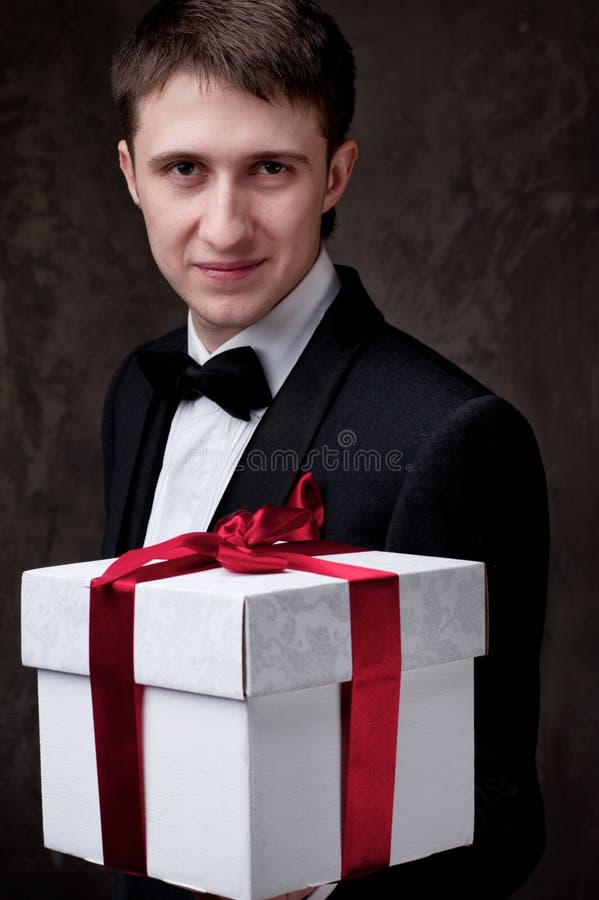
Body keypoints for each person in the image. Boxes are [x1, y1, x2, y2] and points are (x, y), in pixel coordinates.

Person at [101, 1, 549, 898]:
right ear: (130, 174)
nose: (224, 228)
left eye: (270, 168)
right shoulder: (135, 389)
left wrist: (323, 871)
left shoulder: (450, 437)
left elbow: (496, 810)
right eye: (183, 168)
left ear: (336, 174)